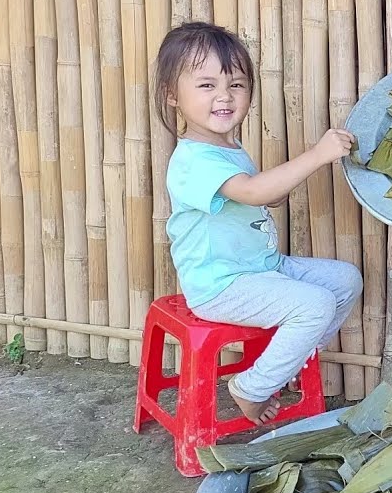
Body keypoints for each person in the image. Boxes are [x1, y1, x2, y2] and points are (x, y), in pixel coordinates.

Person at [156, 22, 363, 426]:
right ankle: (251, 388)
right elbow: (251, 191)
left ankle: (288, 361)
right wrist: (317, 155)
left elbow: (256, 194)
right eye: (207, 85)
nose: (224, 96)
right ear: (172, 95)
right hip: (221, 284)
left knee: (345, 280)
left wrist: (272, 192)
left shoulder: (228, 147)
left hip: (261, 269)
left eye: (236, 85)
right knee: (316, 304)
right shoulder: (193, 160)